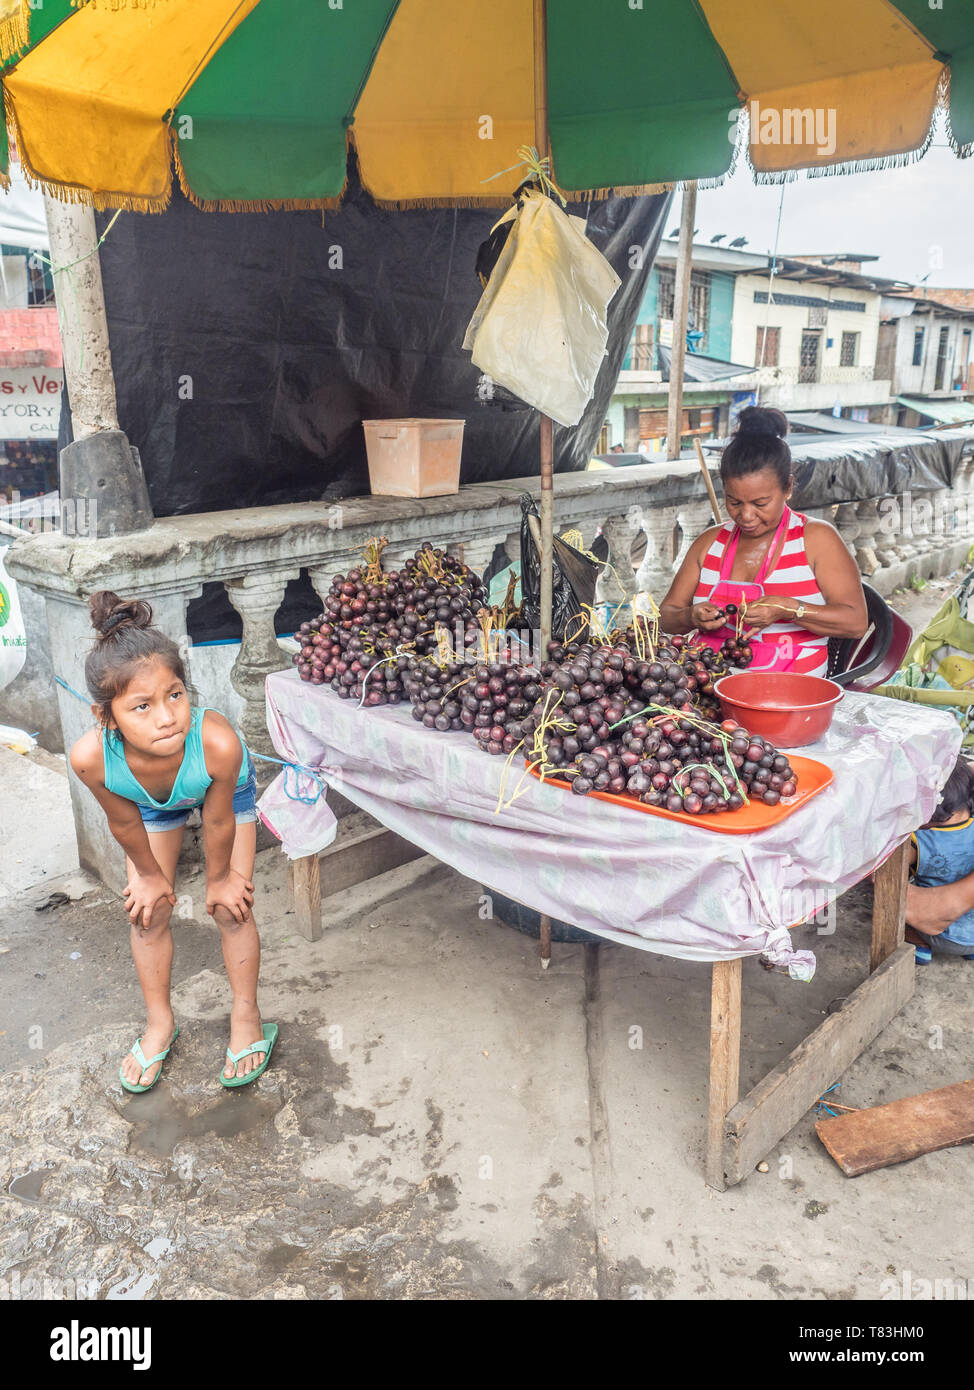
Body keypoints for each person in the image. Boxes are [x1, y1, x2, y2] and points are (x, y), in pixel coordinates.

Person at [70, 591, 277, 1092]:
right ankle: (160, 1022)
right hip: (147, 804)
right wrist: (148, 877)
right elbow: (124, 825)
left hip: (218, 792)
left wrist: (221, 880)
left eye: (175, 695)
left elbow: (220, 821)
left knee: (233, 909)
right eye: (141, 706)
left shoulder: (218, 742)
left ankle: (246, 1016)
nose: (166, 717)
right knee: (148, 912)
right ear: (107, 717)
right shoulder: (91, 758)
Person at [660, 406, 868, 672]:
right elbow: (667, 618)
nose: (746, 515)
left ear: (788, 487)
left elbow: (855, 622)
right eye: (734, 502)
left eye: (761, 503)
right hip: (707, 684)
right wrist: (691, 616)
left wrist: (789, 609)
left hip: (788, 693)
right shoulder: (709, 543)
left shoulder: (817, 539)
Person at [905, 757, 974, 963]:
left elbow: (882, 870)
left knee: (885, 888)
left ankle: (919, 945)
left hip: (943, 936)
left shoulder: (918, 841)